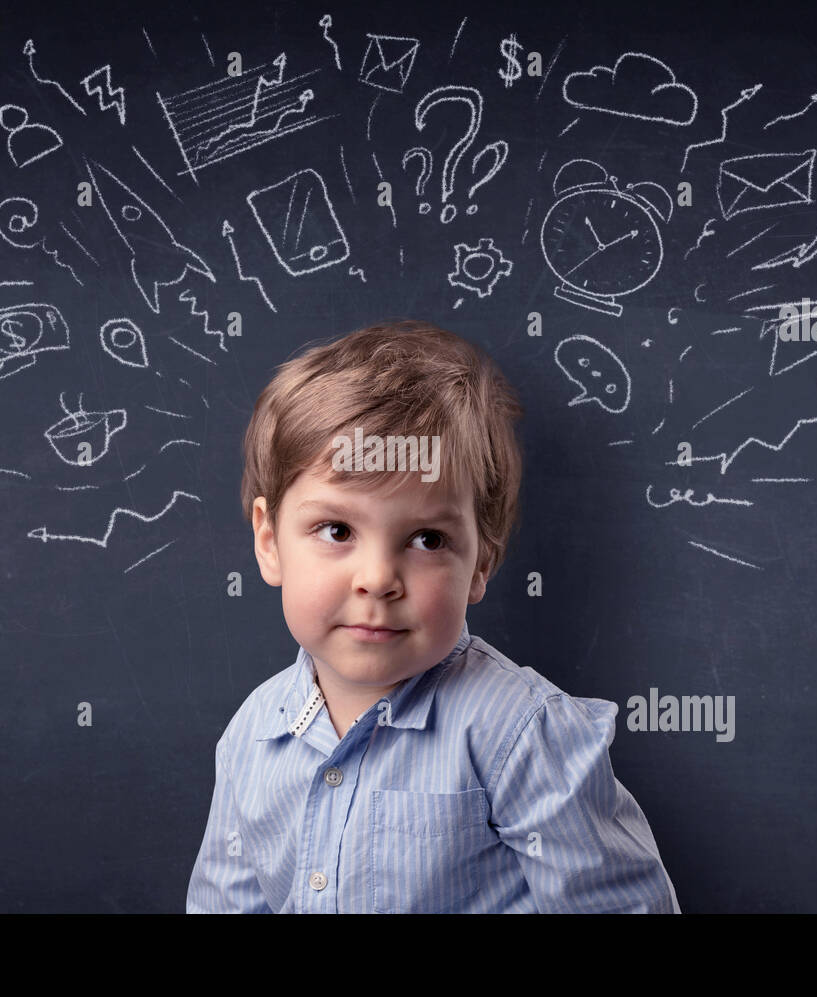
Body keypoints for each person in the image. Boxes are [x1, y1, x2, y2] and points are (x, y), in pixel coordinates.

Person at [186, 319, 679, 913]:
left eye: (426, 539)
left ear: (479, 564)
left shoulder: (520, 733)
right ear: (269, 541)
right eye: (337, 530)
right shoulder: (252, 737)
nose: (377, 578)